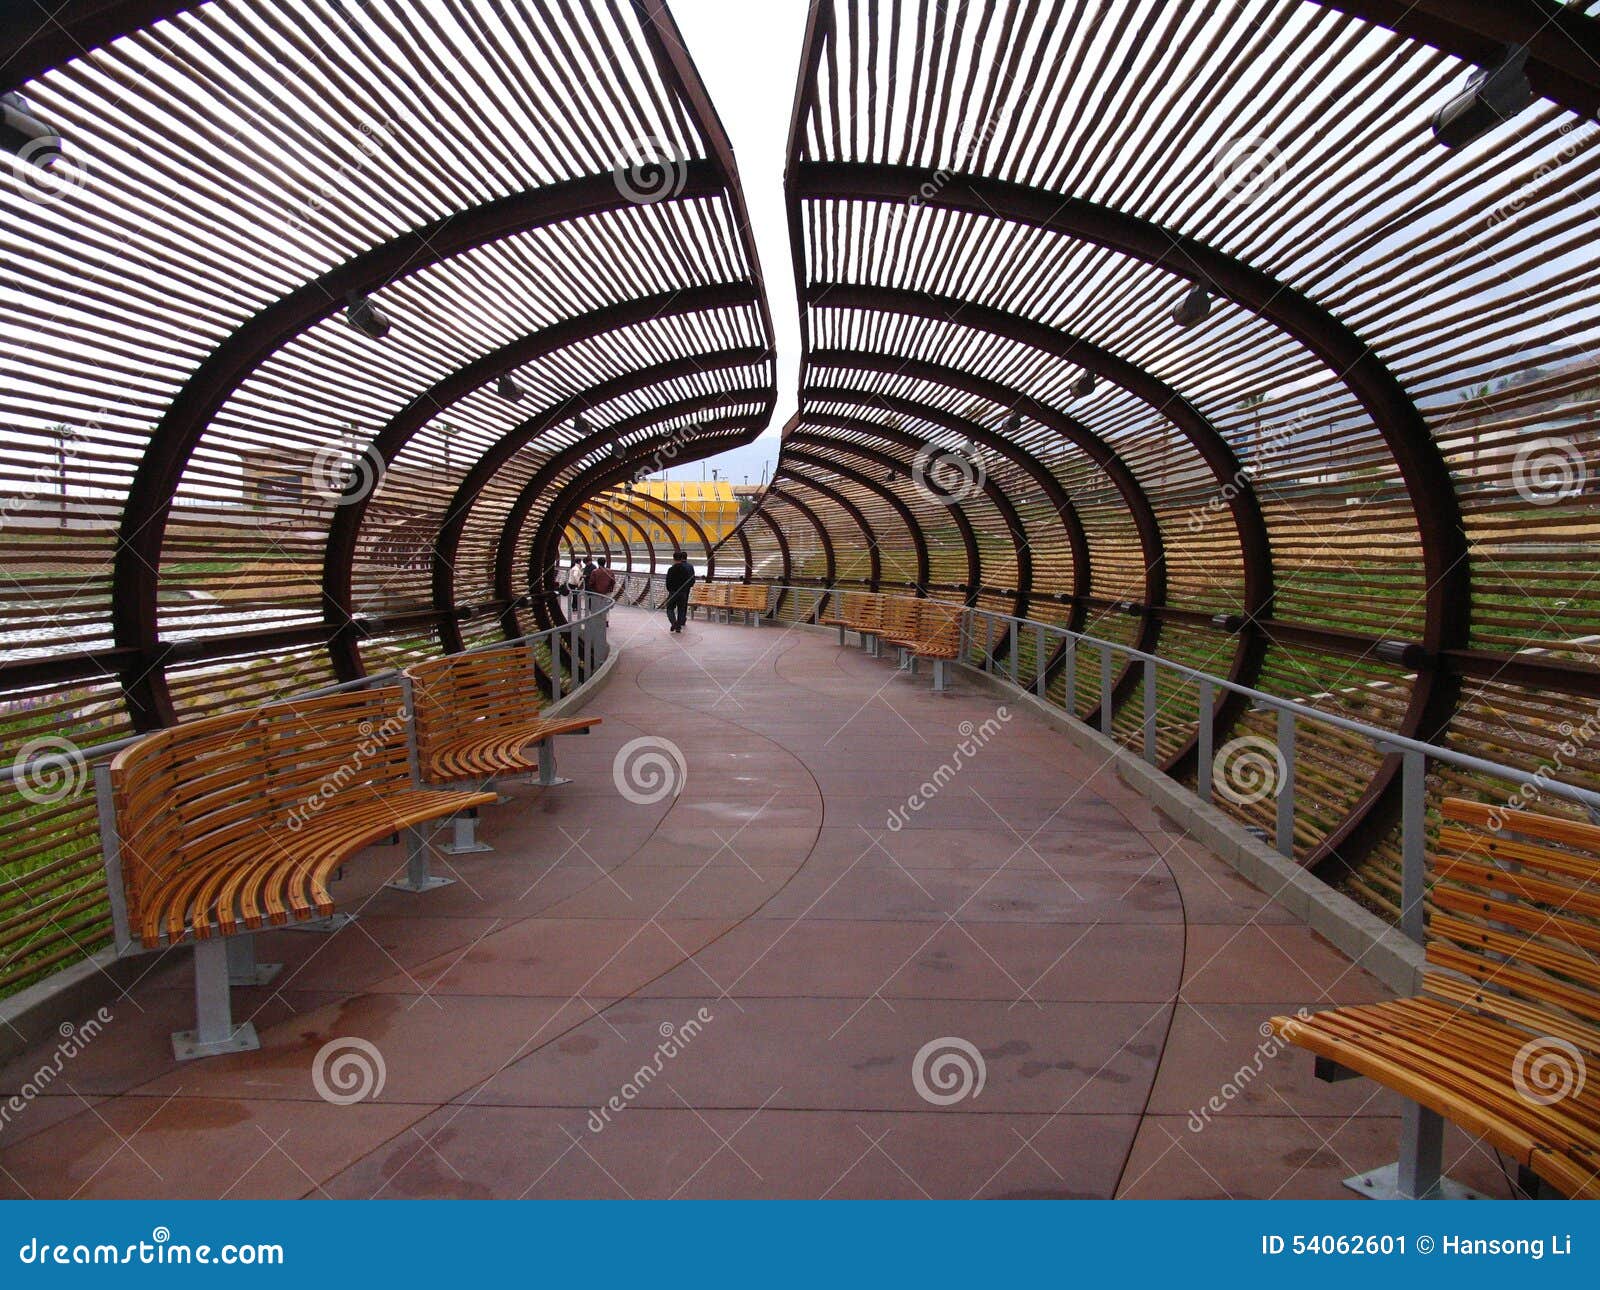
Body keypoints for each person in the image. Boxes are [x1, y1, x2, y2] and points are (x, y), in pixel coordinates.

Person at [664, 550, 695, 634]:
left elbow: (668, 582)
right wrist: (685, 589)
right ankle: (679, 625)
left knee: (670, 608)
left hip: (673, 592)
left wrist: (670, 590)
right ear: (681, 558)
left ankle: (674, 623)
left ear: (673, 558)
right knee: (681, 609)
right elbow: (689, 581)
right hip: (683, 592)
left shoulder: (671, 569)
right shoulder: (685, 569)